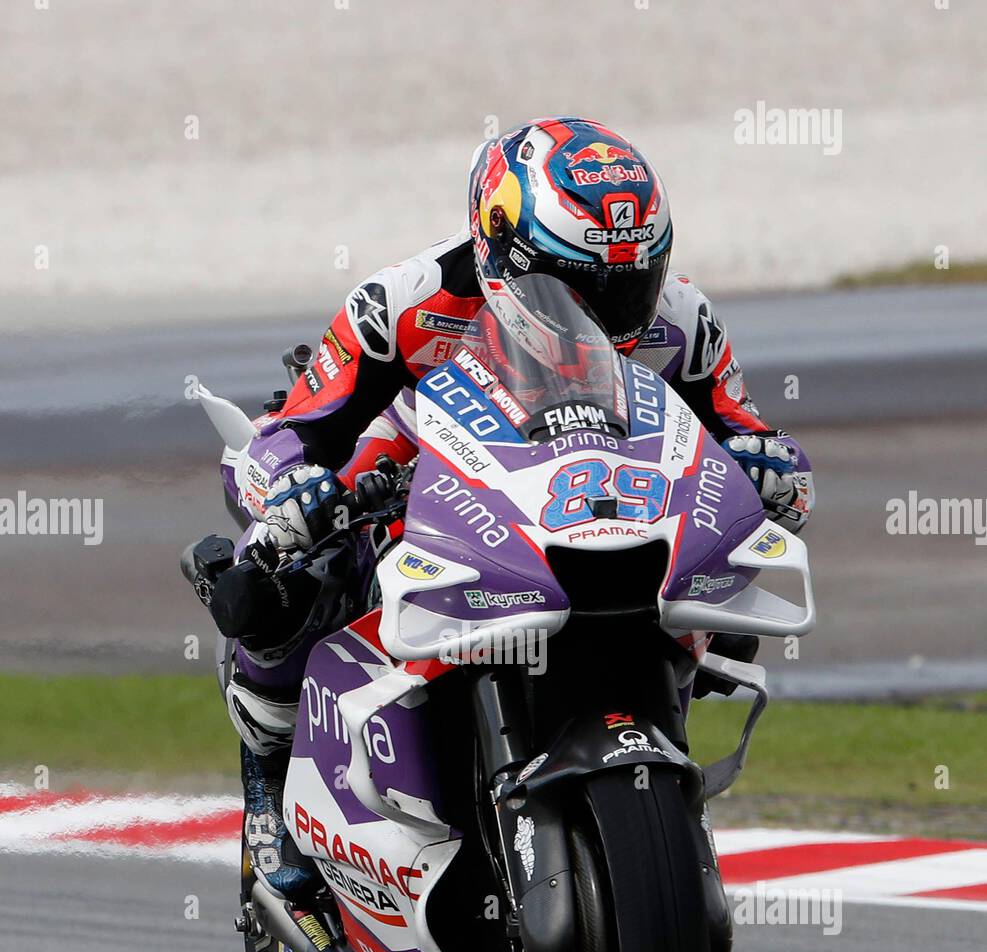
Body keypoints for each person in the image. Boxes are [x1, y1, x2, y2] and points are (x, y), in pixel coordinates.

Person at [220, 116, 814, 899]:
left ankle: (646, 752)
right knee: (289, 576)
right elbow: (288, 430)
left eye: (630, 278)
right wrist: (297, 490)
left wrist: (774, 471)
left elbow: (751, 435)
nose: (615, 303)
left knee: (736, 564)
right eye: (586, 281)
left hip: (603, 505)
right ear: (507, 251)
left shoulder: (681, 318)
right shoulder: (405, 302)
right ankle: (269, 784)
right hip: (421, 491)